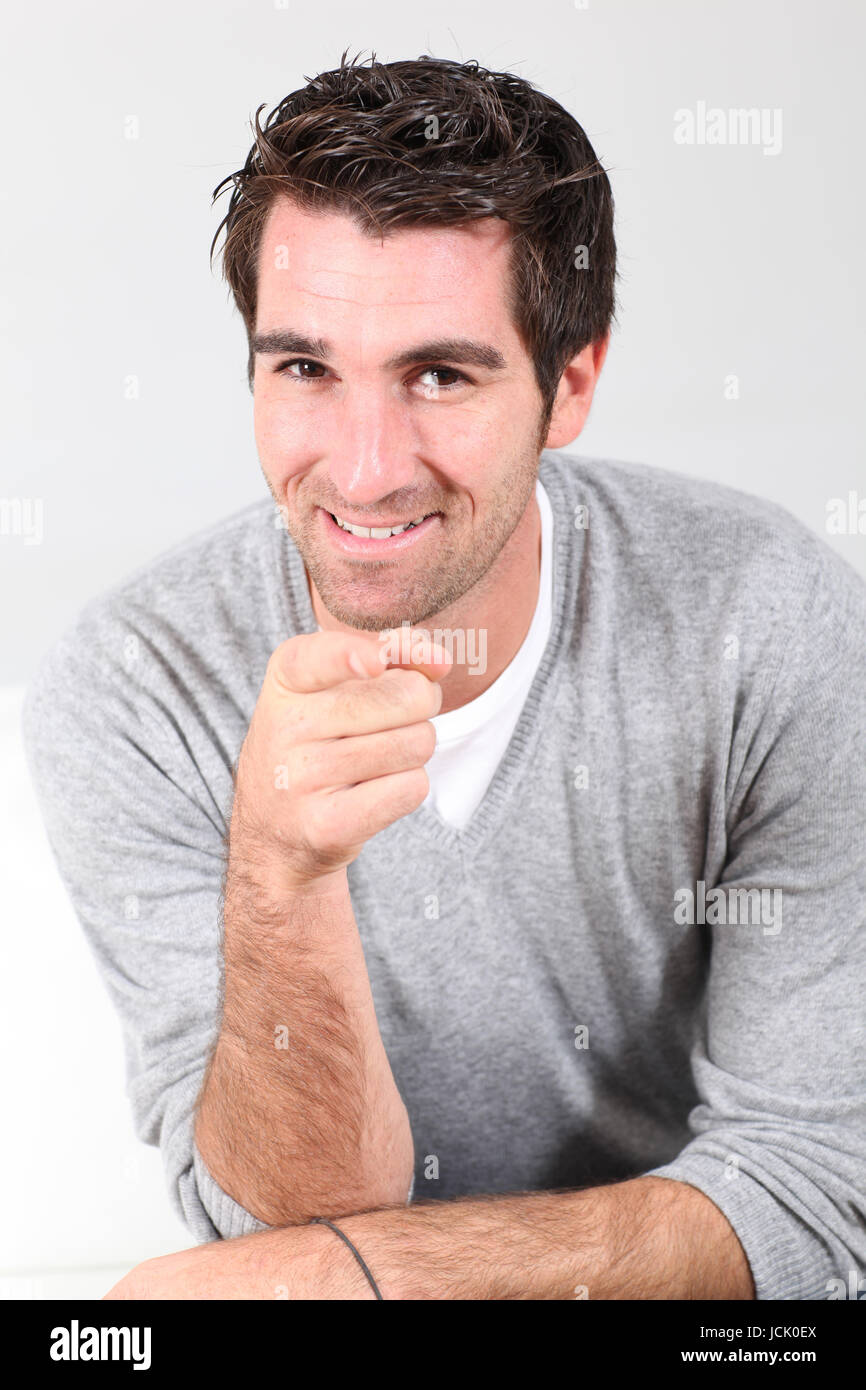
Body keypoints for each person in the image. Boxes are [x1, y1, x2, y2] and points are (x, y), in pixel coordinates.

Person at [23, 51, 866, 1301]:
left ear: (568, 382)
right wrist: (280, 874)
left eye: (439, 374)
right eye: (304, 367)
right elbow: (275, 1220)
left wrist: (363, 1284)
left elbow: (809, 1198)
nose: (365, 472)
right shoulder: (132, 685)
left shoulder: (766, 619)